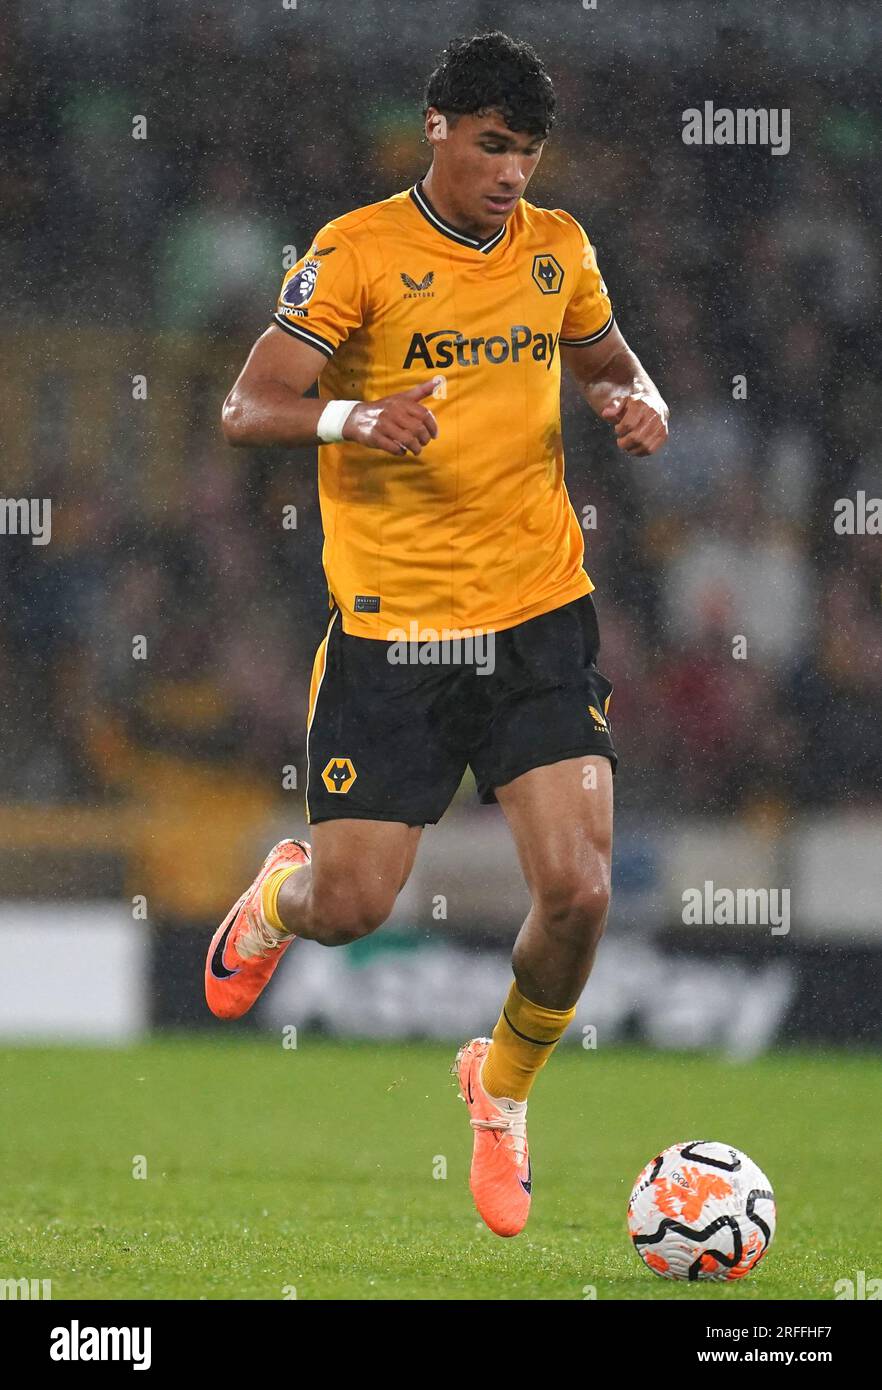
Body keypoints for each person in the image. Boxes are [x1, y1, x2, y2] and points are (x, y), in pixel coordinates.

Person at [205, 31, 668, 1238]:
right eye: (493, 147)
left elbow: (613, 360)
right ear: (438, 129)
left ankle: (501, 1091)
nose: (512, 173)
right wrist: (356, 415)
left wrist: (637, 397)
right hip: (393, 634)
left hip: (536, 618)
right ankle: (280, 896)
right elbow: (247, 404)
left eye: (528, 153)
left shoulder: (559, 251)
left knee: (577, 888)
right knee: (353, 908)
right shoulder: (356, 252)